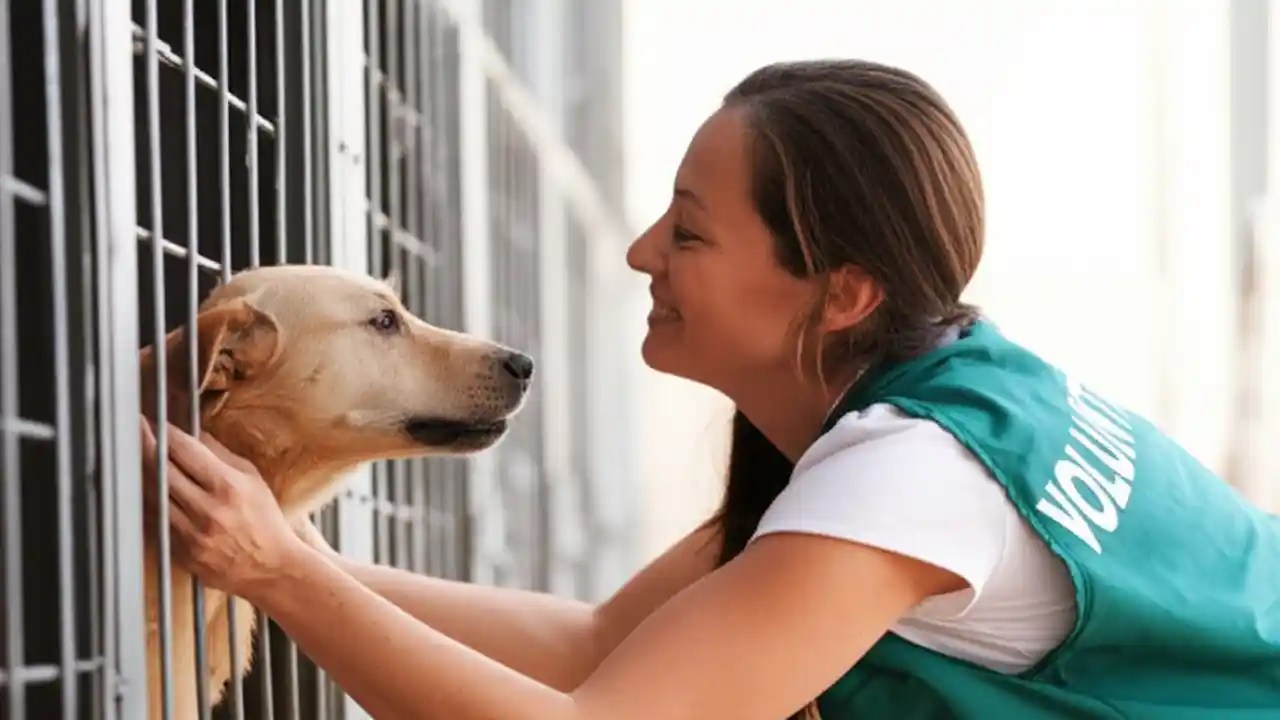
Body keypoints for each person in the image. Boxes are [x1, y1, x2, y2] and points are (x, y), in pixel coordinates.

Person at [141, 59, 1280, 719]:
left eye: (687, 230)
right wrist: (278, 547)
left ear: (837, 294)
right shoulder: (945, 399)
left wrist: (281, 576)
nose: (640, 252)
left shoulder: (910, 479)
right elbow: (593, 645)